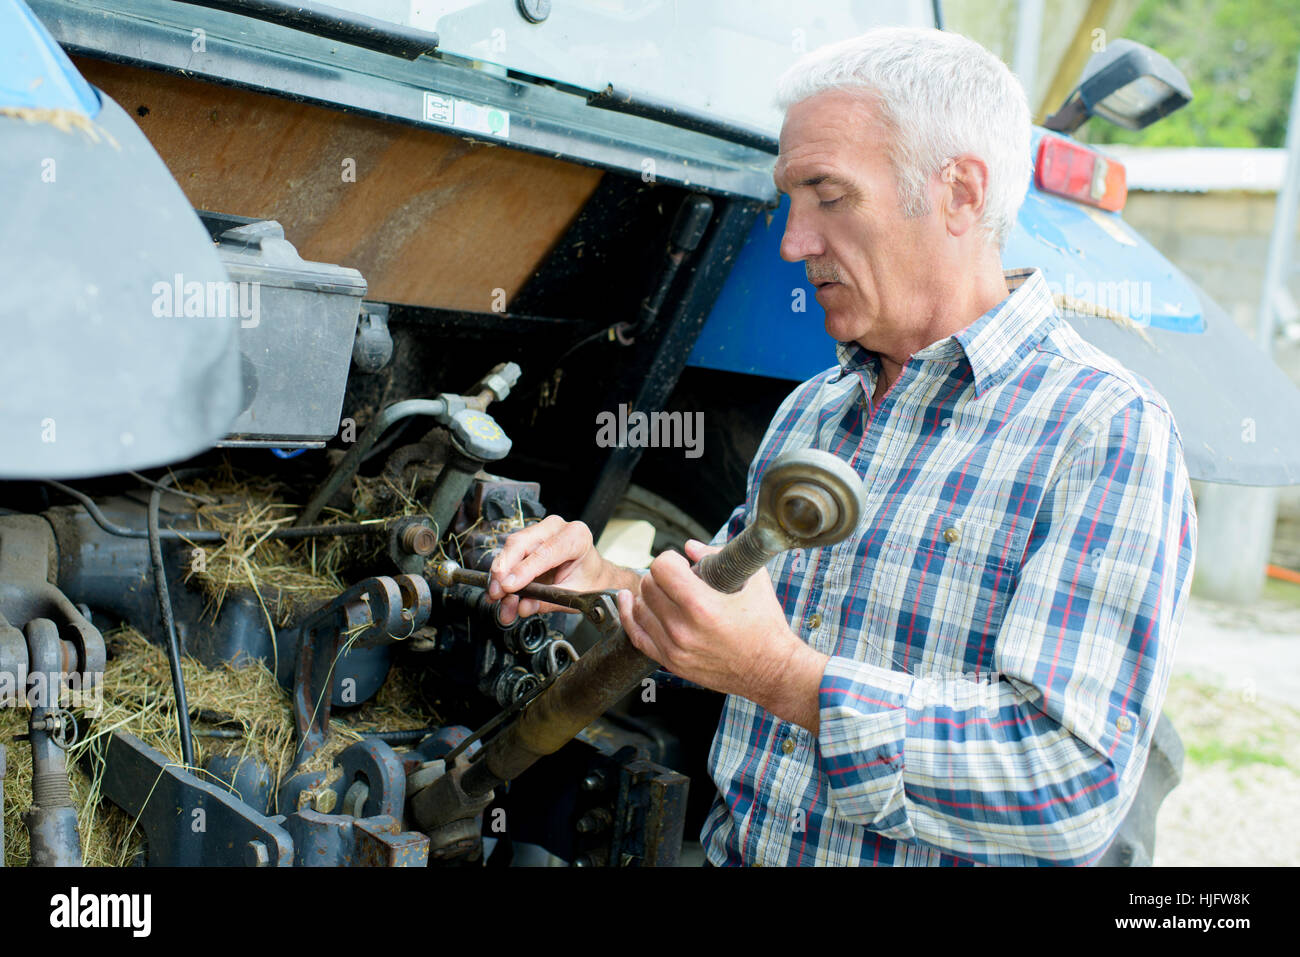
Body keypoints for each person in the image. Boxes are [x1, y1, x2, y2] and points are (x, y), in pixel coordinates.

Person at [487, 26, 1197, 866]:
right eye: (791, 199)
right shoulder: (813, 413)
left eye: (828, 194)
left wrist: (786, 679)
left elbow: (1064, 784)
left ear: (961, 193)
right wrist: (604, 587)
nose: (793, 241)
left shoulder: (1102, 432)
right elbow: (728, 629)